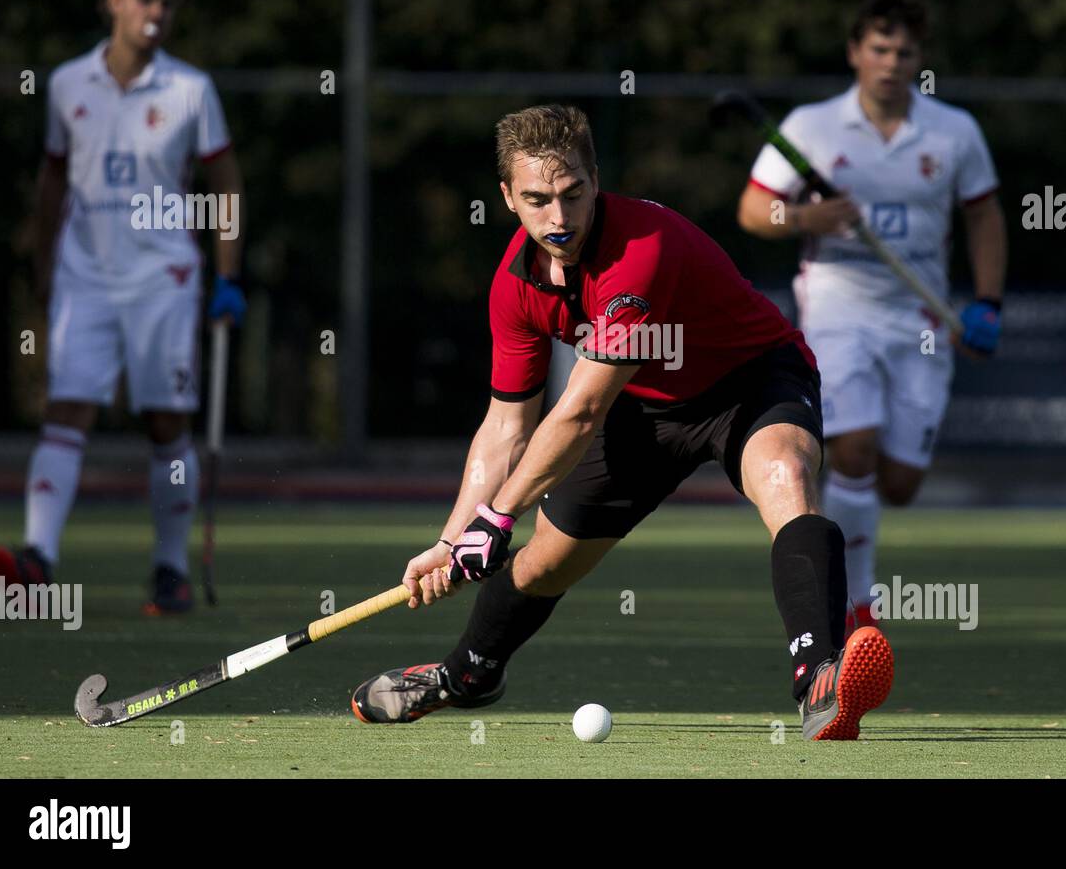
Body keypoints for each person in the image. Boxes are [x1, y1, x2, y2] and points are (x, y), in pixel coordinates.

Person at [350, 104, 893, 741]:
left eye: (573, 194)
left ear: (594, 179)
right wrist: (452, 541)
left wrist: (495, 518)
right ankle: (466, 675)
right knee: (543, 564)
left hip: (751, 380)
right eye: (537, 199)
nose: (559, 218)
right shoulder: (514, 287)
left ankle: (820, 680)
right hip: (643, 405)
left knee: (785, 472)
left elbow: (579, 411)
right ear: (507, 198)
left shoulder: (639, 250)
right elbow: (505, 427)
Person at [0, 0, 246, 614]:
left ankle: (169, 569)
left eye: (165, 3)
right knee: (67, 406)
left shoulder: (190, 88)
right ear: (114, 1)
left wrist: (227, 274)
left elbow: (226, 182)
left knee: (165, 421)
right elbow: (52, 179)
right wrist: (43, 262)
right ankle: (37, 557)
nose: (155, 13)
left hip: (165, 275)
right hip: (85, 272)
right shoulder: (70, 84)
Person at [737, 0, 1007, 630]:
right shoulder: (812, 125)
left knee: (902, 483)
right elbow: (755, 210)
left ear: (920, 59)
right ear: (857, 52)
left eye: (904, 51)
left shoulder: (953, 131)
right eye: (878, 48)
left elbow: (984, 216)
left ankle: (858, 565)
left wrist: (989, 302)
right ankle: (860, 609)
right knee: (852, 450)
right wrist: (805, 216)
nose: (890, 61)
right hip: (836, 307)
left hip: (920, 318)